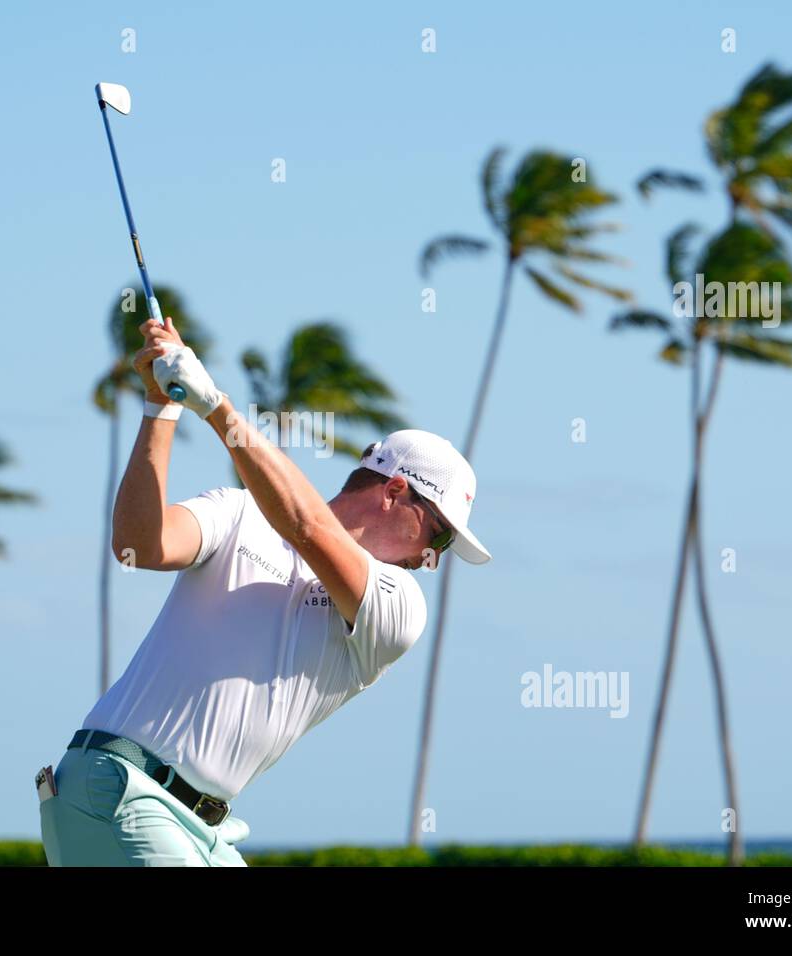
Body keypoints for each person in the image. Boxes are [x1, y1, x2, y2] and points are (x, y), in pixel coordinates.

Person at [37, 316, 491, 866]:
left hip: (197, 827)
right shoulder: (237, 511)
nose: (435, 558)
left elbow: (307, 528)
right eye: (439, 533)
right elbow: (140, 545)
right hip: (120, 790)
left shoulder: (399, 608)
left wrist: (216, 404)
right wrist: (163, 407)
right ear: (396, 492)